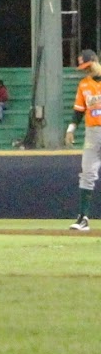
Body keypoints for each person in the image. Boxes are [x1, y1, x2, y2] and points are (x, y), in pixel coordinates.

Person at [65, 50, 101, 231]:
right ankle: (83, 218)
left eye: (88, 66)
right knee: (87, 172)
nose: (86, 70)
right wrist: (71, 129)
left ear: (95, 61)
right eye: (84, 68)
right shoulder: (84, 84)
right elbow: (79, 111)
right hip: (92, 131)